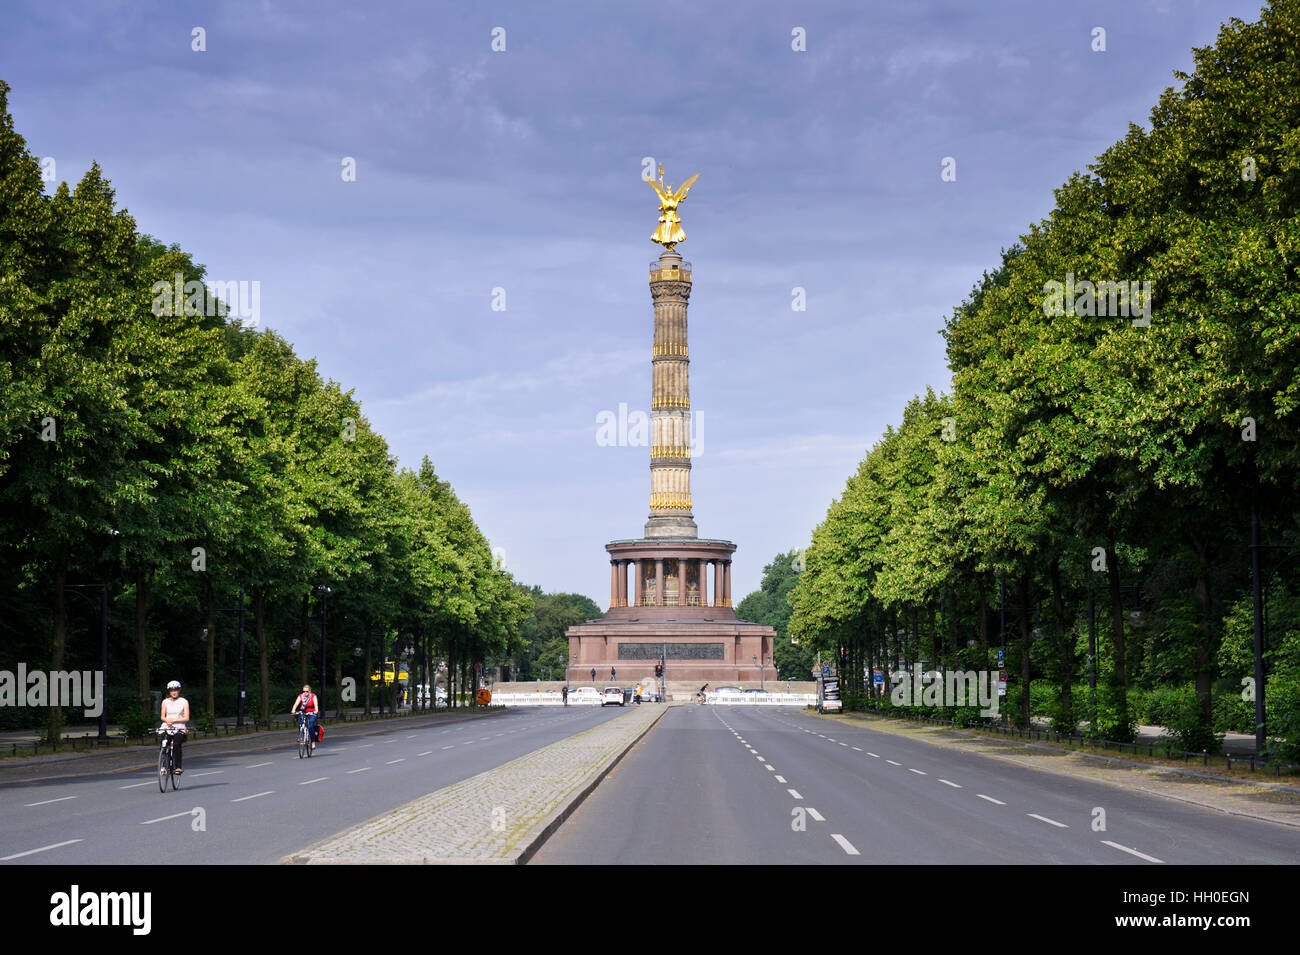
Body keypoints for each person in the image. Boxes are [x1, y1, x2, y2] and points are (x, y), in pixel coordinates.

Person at [160, 680, 189, 775]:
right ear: (169, 691)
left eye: (176, 690)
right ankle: (163, 766)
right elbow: (162, 716)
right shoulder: (165, 702)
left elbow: (186, 718)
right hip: (167, 726)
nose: (174, 692)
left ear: (179, 690)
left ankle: (178, 767)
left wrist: (174, 720)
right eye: (172, 690)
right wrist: (167, 720)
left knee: (176, 744)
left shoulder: (184, 702)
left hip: (179, 726)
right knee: (164, 743)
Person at [291, 684, 319, 751]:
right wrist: (293, 710)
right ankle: (301, 736)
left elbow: (316, 705)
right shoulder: (301, 696)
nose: (305, 693)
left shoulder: (313, 696)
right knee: (301, 723)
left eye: (307, 691)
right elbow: (296, 704)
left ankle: (313, 742)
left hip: (312, 713)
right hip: (304, 712)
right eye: (304, 691)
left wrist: (316, 710)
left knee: (310, 726)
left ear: (310, 691)